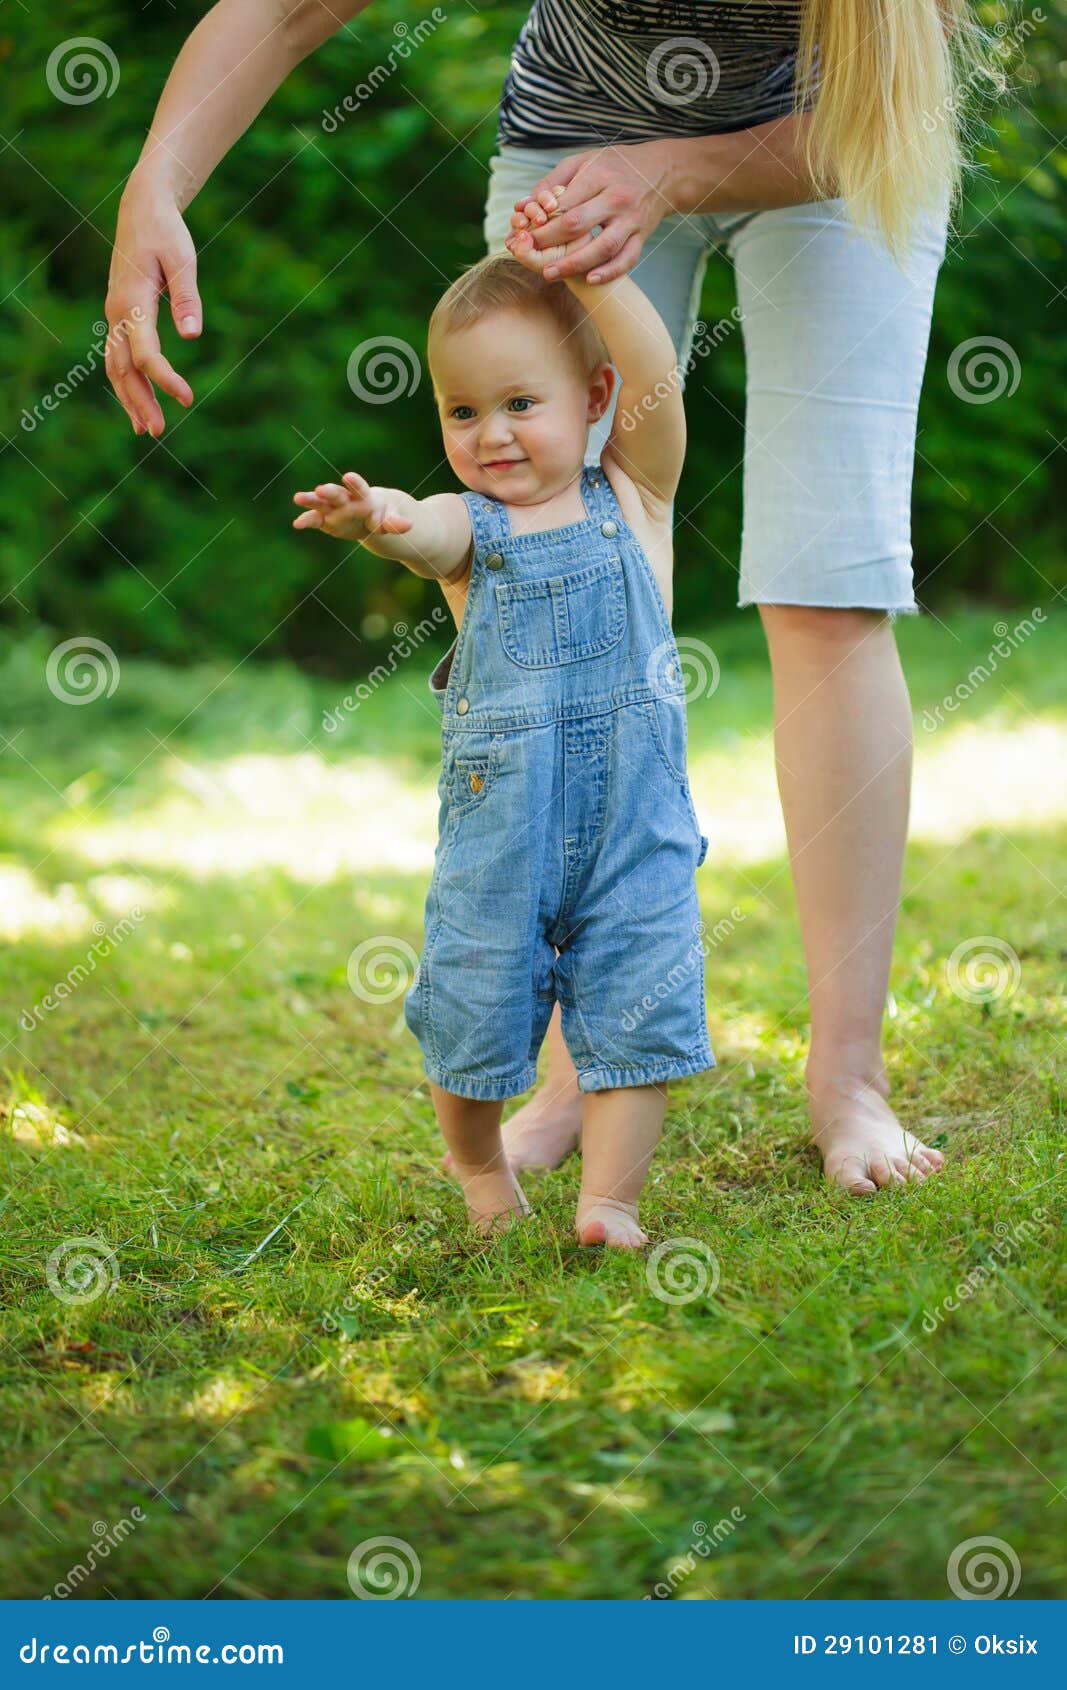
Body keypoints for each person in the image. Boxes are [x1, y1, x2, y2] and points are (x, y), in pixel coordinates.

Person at [106, 2, 993, 1195]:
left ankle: (848, 1078)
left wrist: (669, 172)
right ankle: (579, 1078)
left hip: (839, 135)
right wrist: (154, 186)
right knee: (548, 530)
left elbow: (892, 111)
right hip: (577, 137)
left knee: (828, 584)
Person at [292, 197, 713, 1245]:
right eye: (461, 411)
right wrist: (379, 521)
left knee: (638, 1010)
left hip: (633, 830)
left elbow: (656, 379)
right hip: (500, 836)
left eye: (521, 402)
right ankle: (481, 1171)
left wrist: (592, 274)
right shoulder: (473, 529)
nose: (490, 434)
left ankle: (607, 1200)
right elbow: (425, 529)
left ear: (594, 398)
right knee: (472, 1010)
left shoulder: (636, 497)